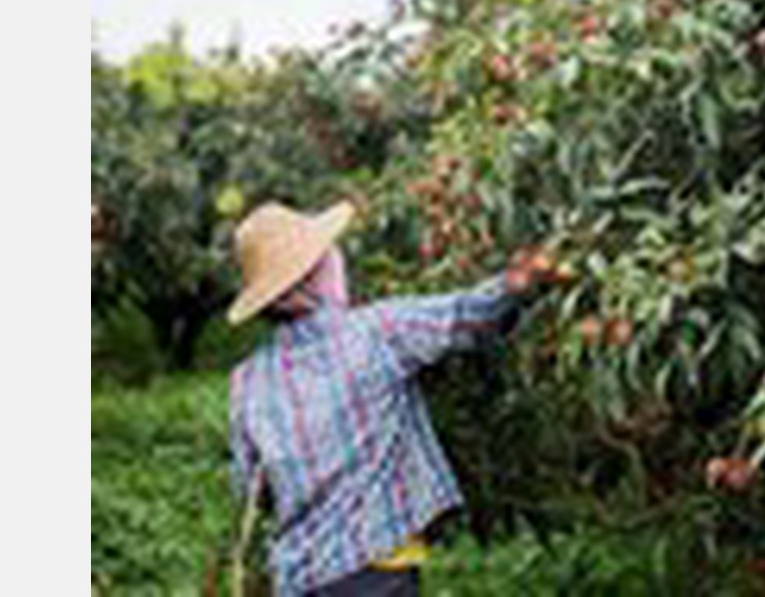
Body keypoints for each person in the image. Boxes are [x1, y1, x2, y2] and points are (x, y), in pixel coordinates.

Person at [226, 200, 547, 596]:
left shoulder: (247, 381)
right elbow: (470, 315)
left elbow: (251, 489)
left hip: (298, 580)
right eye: (331, 253)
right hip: (374, 576)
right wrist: (522, 280)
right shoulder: (376, 333)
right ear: (314, 277)